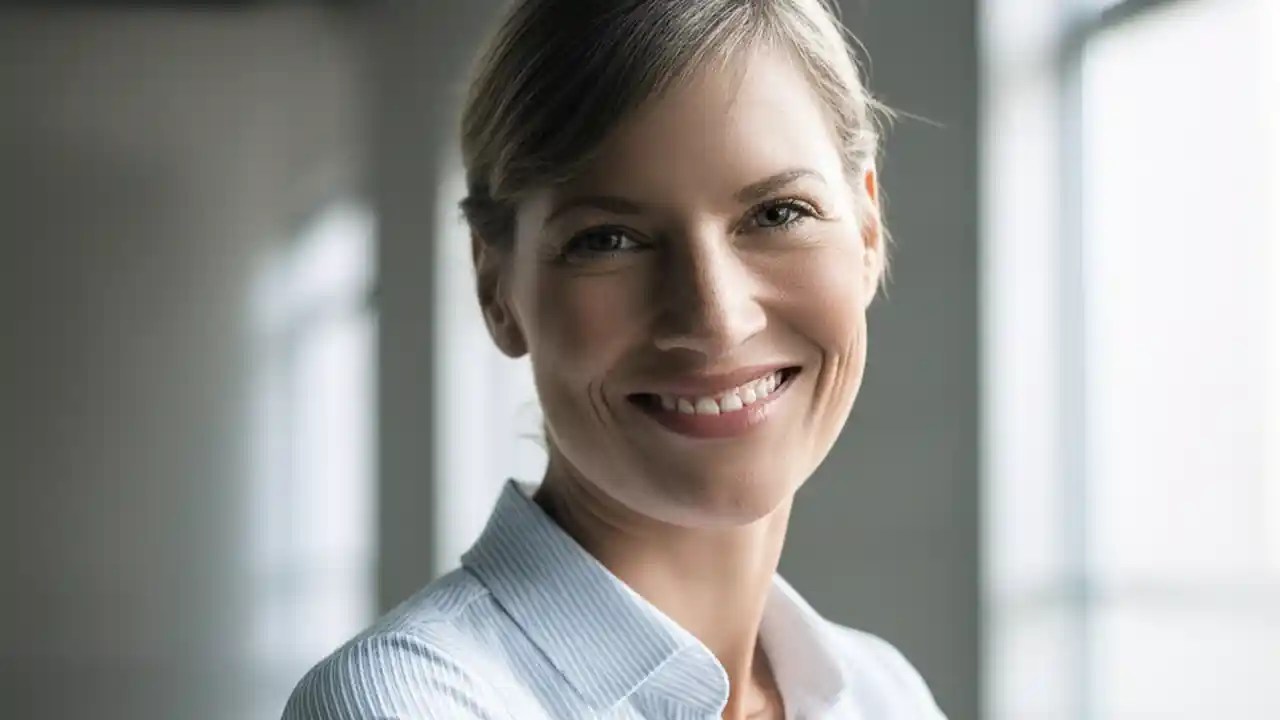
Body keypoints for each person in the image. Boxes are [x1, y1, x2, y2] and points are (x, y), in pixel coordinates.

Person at [284, 0, 947, 717]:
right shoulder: (407, 703)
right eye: (608, 239)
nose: (714, 320)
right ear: (496, 289)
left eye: (779, 213)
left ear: (869, 226)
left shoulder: (884, 693)